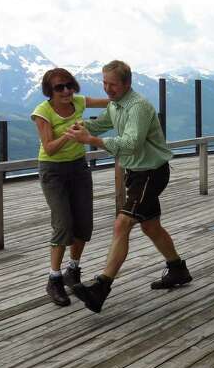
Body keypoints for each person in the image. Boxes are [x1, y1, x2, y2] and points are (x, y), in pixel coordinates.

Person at [65, 59, 192, 313]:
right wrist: (82, 125)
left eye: (112, 84)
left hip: (150, 173)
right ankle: (177, 269)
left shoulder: (138, 108)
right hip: (137, 172)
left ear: (127, 83)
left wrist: (91, 140)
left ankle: (101, 288)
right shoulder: (116, 104)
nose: (107, 89)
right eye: (104, 83)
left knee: (122, 223)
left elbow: (132, 144)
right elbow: (102, 122)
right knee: (150, 226)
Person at [32, 68, 109, 306]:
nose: (66, 91)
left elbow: (110, 101)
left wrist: (127, 97)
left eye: (69, 85)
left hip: (78, 167)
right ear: (50, 91)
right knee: (63, 223)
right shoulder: (42, 112)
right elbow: (50, 147)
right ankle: (54, 279)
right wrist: (70, 134)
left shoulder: (78, 102)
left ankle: (72, 270)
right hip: (53, 170)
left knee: (84, 223)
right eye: (59, 87)